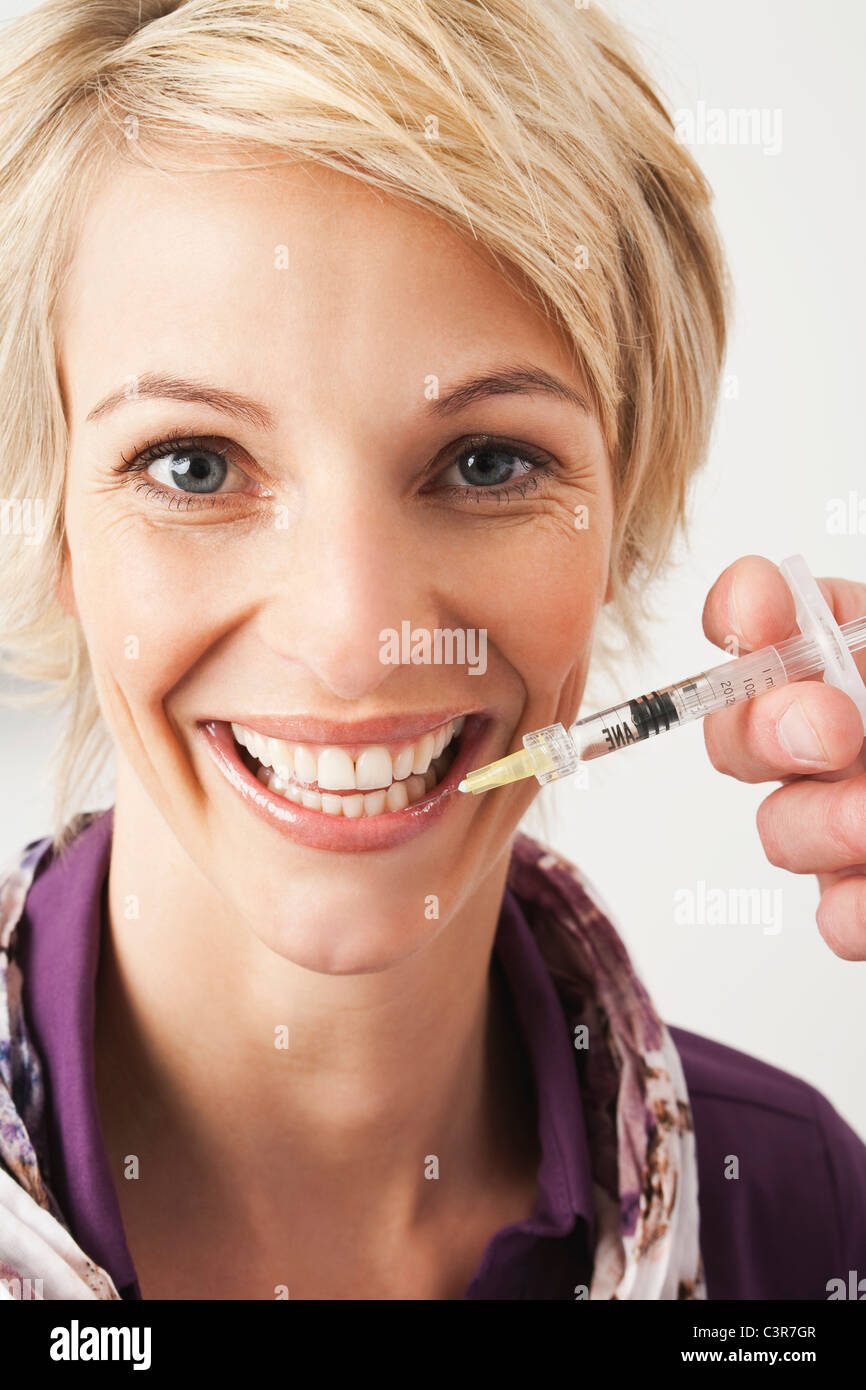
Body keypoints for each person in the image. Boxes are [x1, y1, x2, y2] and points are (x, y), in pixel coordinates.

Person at [0, 0, 863, 1302]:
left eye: (484, 462)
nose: (354, 639)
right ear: (53, 526)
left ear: (620, 513)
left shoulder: (798, 1216)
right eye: (192, 464)